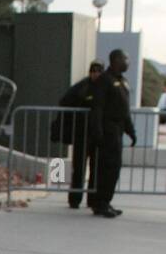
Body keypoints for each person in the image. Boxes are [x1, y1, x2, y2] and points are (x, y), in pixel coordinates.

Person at [88, 49, 137, 217]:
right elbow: (98, 108)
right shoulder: (105, 80)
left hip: (118, 129)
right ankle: (100, 203)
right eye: (125, 58)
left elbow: (124, 110)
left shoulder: (122, 81)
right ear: (116, 60)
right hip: (107, 130)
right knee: (106, 168)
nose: (128, 61)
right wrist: (98, 131)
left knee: (114, 168)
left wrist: (131, 131)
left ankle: (105, 201)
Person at [56, 60, 103, 209]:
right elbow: (65, 101)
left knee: (96, 168)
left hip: (97, 133)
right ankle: (75, 199)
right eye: (93, 71)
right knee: (79, 168)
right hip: (82, 132)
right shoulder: (82, 86)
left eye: (98, 71)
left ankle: (92, 199)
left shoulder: (103, 88)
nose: (95, 74)